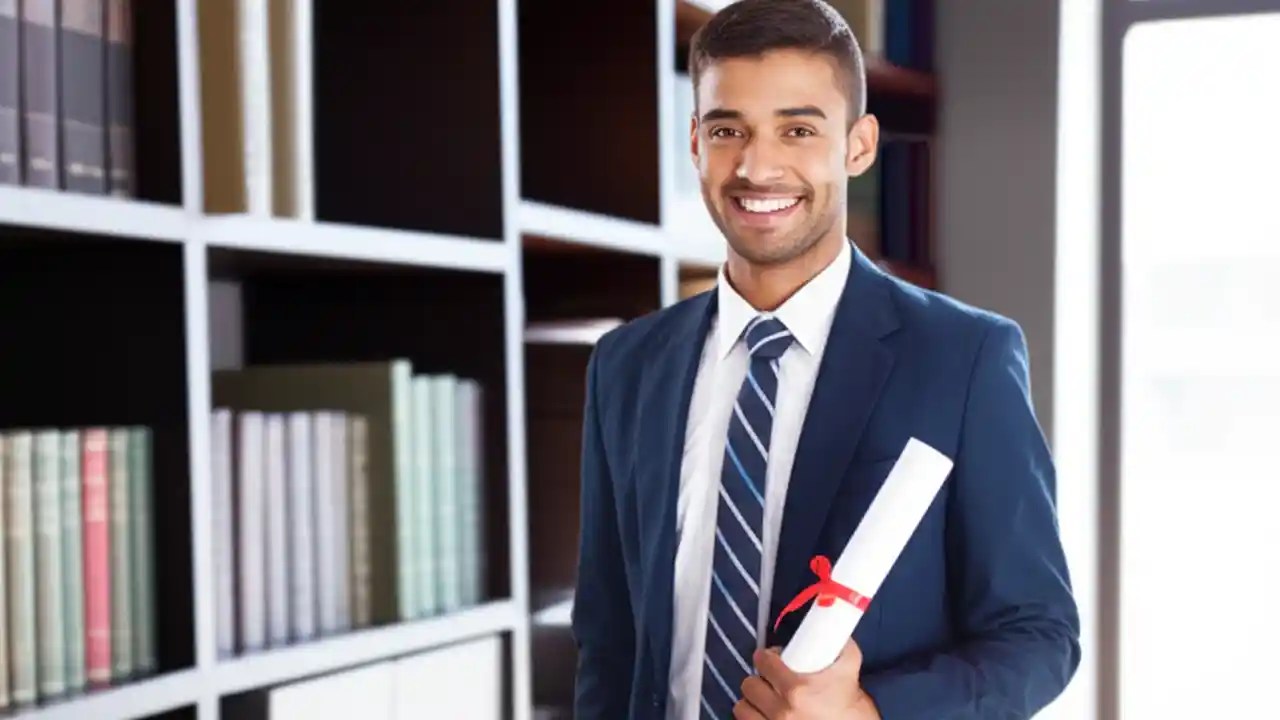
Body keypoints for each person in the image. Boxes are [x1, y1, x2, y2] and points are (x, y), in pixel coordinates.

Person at [570, 0, 1081, 718]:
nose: (756, 165)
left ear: (858, 144)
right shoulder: (627, 366)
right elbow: (607, 638)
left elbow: (1039, 637)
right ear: (694, 142)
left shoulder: (964, 358)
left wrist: (870, 712)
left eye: (798, 130)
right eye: (728, 130)